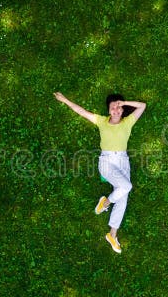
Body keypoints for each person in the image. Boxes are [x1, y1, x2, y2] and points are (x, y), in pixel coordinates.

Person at [54, 91, 146, 253]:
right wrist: (65, 100)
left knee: (123, 197)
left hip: (123, 161)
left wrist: (124, 103)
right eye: (113, 107)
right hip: (107, 162)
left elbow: (142, 106)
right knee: (126, 187)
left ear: (122, 109)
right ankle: (106, 203)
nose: (116, 110)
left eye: (118, 107)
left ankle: (112, 234)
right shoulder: (102, 121)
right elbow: (82, 112)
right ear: (108, 110)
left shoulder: (128, 122)